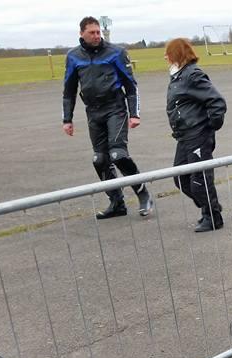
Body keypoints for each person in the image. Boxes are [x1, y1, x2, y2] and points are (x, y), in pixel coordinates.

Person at [62, 16, 153, 219]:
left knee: (118, 155)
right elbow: (69, 90)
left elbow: (131, 85)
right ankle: (117, 203)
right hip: (93, 111)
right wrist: (67, 119)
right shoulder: (73, 56)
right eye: (92, 33)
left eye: (98, 32)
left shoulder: (116, 52)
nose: (97, 36)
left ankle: (143, 194)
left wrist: (134, 114)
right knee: (99, 159)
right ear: (81, 33)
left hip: (115, 108)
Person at [164, 38, 228, 232]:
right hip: (184, 137)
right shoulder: (178, 76)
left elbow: (217, 101)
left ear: (177, 54)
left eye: (168, 53)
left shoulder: (192, 75)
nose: (165, 57)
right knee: (180, 178)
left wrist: (209, 127)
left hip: (198, 135)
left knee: (200, 180)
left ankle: (213, 217)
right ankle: (210, 207)